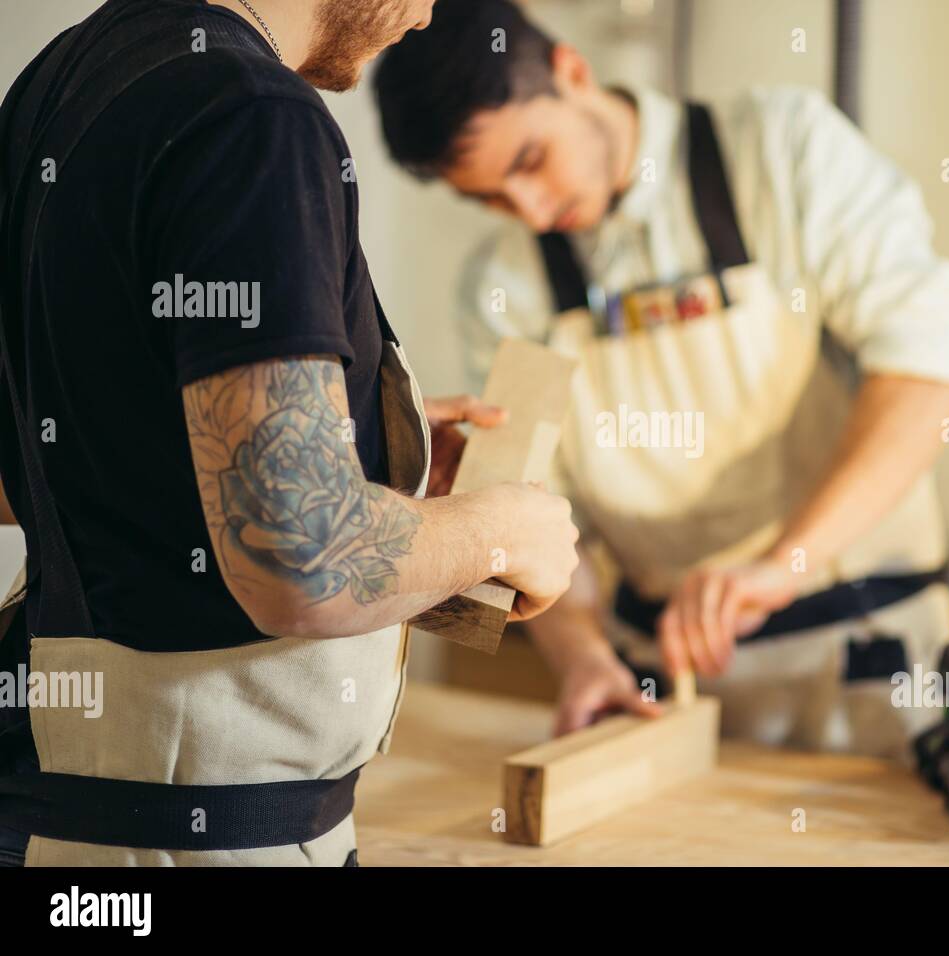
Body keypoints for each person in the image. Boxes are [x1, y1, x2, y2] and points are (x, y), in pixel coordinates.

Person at [0, 0, 578, 866]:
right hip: (206, 839)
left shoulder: (57, 82)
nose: (424, 17)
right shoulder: (251, 116)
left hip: (59, 825)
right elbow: (302, 558)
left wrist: (376, 452)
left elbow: (41, 460)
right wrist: (503, 530)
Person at [374, 0, 949, 752]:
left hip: (869, 660)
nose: (529, 211)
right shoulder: (504, 285)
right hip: (665, 680)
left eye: (529, 162)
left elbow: (932, 374)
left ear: (572, 72)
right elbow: (529, 502)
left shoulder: (781, 149)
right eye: (490, 197)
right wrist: (584, 660)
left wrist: (781, 565)